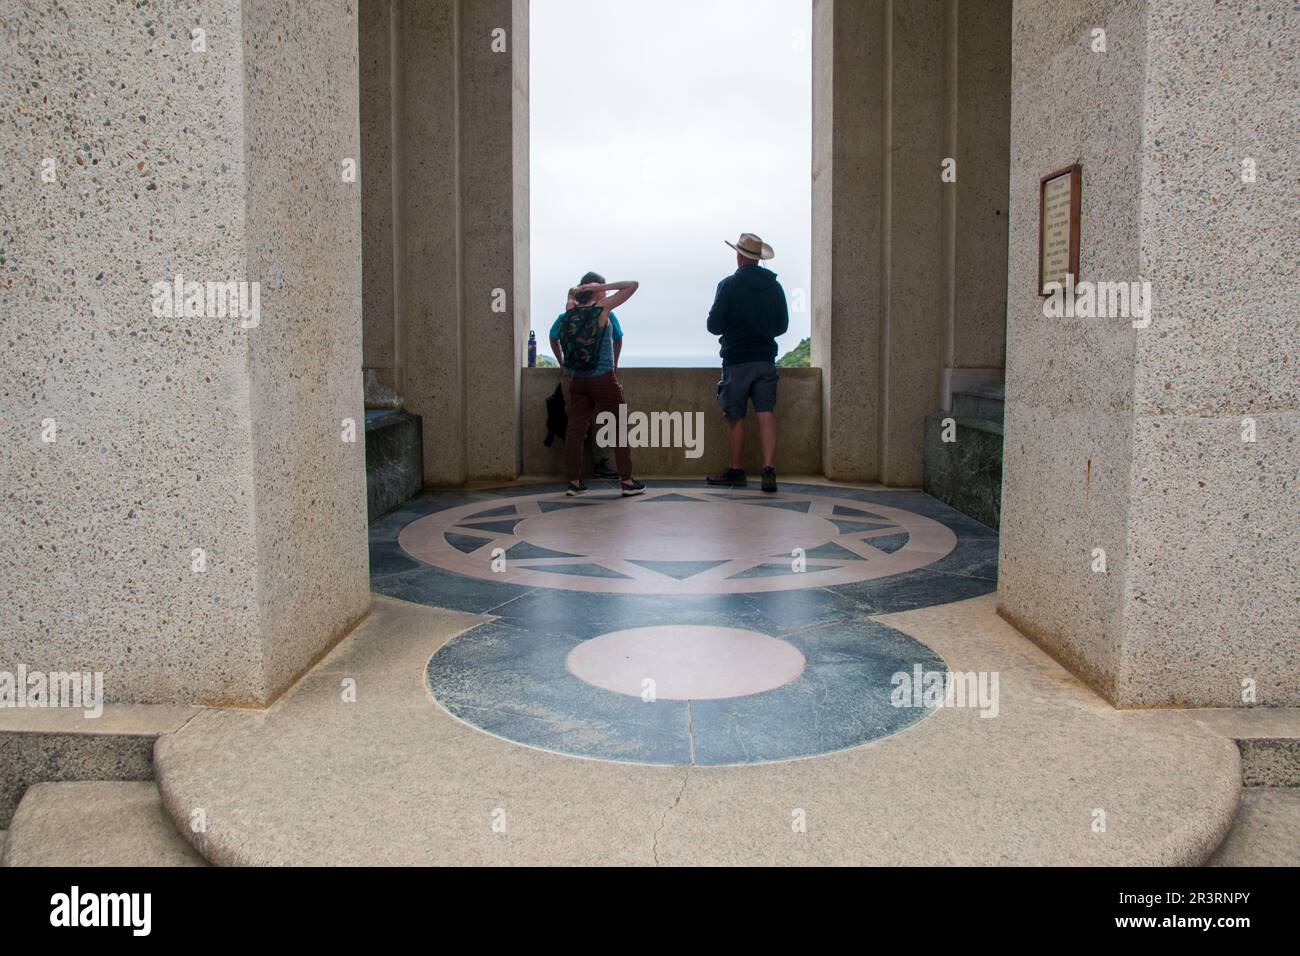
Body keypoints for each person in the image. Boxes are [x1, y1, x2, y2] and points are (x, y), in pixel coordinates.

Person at [705, 233, 789, 493]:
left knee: (735, 416)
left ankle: (736, 469)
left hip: (737, 360)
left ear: (739, 255)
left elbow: (714, 326)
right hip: (765, 359)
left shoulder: (728, 285)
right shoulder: (775, 287)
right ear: (758, 257)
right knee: (766, 413)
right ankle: (768, 470)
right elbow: (782, 326)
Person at [551, 272, 646, 497]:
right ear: (594, 291)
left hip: (578, 380)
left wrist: (562, 364)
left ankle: (574, 482)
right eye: (600, 289)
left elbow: (568, 302)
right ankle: (627, 481)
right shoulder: (602, 310)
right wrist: (603, 286)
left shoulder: (570, 311)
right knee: (619, 427)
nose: (605, 291)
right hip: (603, 378)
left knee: (576, 430)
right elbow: (633, 285)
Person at [549, 297, 623, 480]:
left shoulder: (566, 317)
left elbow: (553, 335)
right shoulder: (607, 313)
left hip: (575, 377)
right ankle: (606, 467)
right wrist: (613, 364)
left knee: (576, 426)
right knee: (606, 421)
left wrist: (563, 363)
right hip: (601, 378)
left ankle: (574, 476)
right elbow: (618, 338)